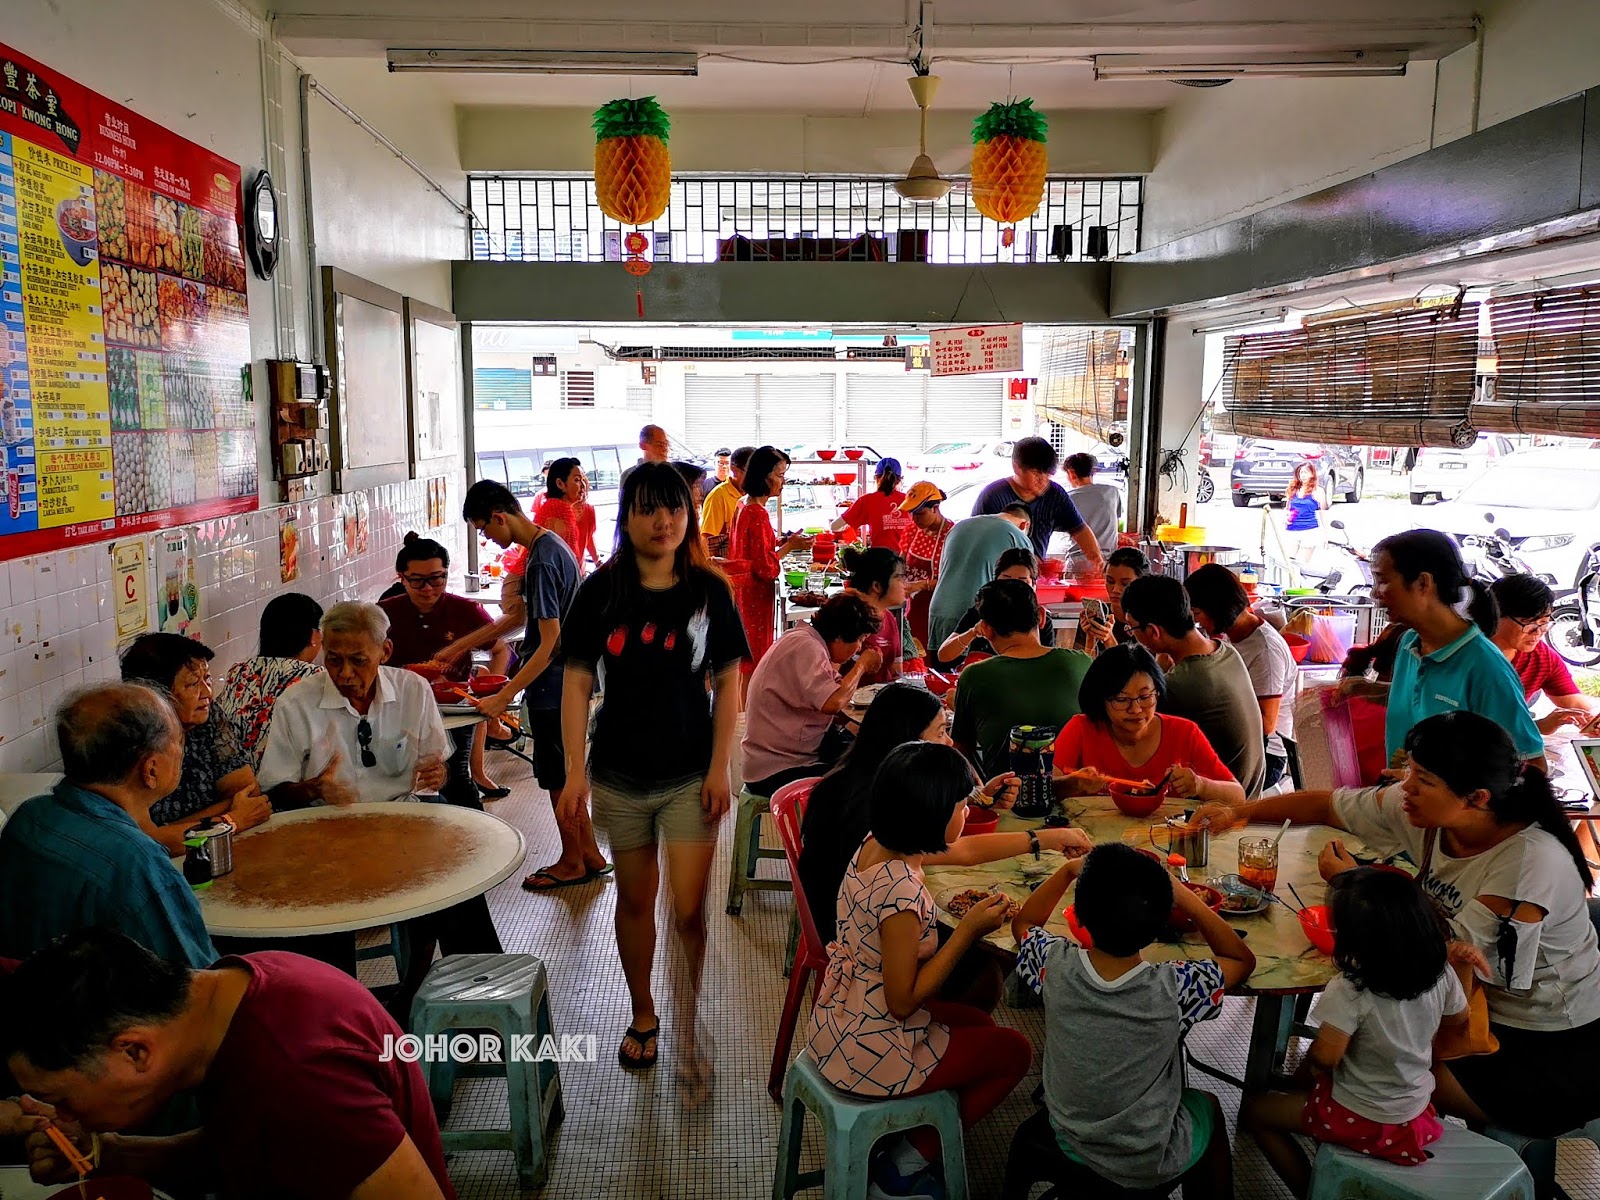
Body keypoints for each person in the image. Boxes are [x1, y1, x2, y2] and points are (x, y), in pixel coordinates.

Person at [1192, 710, 1600, 1140]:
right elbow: (1326, 804)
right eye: (1411, 771)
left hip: (1541, 1050)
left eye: (1423, 779)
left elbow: (1439, 964)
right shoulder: (1427, 811)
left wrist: (1355, 883)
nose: (1405, 786)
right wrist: (1238, 812)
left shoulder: (1528, 865)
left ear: (1477, 798)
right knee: (1343, 1059)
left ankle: (1324, 1137)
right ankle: (1314, 1120)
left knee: (1351, 1064)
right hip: (1461, 1015)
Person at [2, 928, 457, 1199]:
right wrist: (111, 1154)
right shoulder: (231, 991)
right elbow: (251, 1145)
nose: (57, 1118)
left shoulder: (300, 1079)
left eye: (58, 1099)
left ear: (134, 1051)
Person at [556, 463, 749, 1086]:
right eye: (648, 508)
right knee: (636, 901)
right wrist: (573, 773)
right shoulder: (600, 591)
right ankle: (644, 1016)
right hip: (618, 774)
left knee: (688, 909)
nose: (664, 520)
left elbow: (727, 681)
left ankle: (688, 1011)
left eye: (674, 508)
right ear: (627, 516)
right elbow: (578, 679)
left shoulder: (709, 591)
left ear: (688, 516)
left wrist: (722, 767)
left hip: (692, 775)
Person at [804, 742, 1035, 1195]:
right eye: (962, 804)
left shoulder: (879, 844)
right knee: (1015, 1052)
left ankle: (901, 1131)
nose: (968, 812)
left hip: (840, 1021)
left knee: (977, 1021)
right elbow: (904, 1000)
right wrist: (968, 929)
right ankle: (902, 1168)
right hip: (873, 1048)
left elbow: (966, 852)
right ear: (933, 812)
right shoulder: (901, 893)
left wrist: (1039, 840)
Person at [255, 602, 500, 1019]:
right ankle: (344, 1013)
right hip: (325, 830)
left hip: (404, 819)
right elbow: (275, 792)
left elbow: (435, 767)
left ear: (384, 652)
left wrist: (435, 774)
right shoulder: (297, 703)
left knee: (459, 884)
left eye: (357, 660)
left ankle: (476, 992)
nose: (344, 673)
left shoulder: (412, 691)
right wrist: (313, 788)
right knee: (322, 917)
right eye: (333, 660)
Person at [1011, 842, 1252, 1197]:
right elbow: (1241, 960)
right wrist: (1182, 895)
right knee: (1210, 1107)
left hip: (1068, 1134)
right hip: (1145, 1156)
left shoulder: (1055, 965)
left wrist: (1066, 871)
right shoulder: (1176, 986)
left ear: (1077, 914)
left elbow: (1025, 923)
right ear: (1157, 928)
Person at [797, 683, 1087, 945]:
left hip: (852, 922)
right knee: (982, 965)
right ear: (909, 743)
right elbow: (962, 850)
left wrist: (974, 797)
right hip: (855, 939)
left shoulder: (861, 779)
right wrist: (1047, 838)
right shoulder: (874, 809)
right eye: (940, 732)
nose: (949, 742)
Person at [1243, 868, 1469, 1194]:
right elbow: (1459, 1018)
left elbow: (1325, 1057)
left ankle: (1311, 1189)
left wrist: (1304, 1073)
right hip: (1413, 1109)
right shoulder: (1439, 972)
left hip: (1364, 1115)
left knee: (1257, 1112)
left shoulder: (1350, 988)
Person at [0, 684, 216, 967]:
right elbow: (196, 984)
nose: (180, 752)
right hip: (96, 1009)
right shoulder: (136, 864)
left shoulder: (29, 816)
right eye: (178, 742)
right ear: (150, 770)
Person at [462, 480, 604, 891]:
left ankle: (571, 862)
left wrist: (505, 694)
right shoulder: (552, 545)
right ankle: (590, 853)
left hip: (553, 688)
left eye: (486, 530)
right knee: (566, 773)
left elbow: (549, 643)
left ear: (499, 516)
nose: (490, 539)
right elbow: (524, 622)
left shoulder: (540, 561)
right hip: (570, 683)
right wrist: (460, 648)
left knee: (558, 778)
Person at [1370, 530, 1543, 766]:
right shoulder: (1410, 643)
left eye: (1382, 581)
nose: (1373, 593)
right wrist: (1366, 690)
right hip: (1401, 800)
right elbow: (1420, 700)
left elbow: (1532, 765)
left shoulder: (1485, 667)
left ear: (1423, 583)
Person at [379, 533, 509, 799]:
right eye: (417, 581)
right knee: (402, 780)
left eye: (437, 578)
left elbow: (500, 649)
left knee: (457, 775)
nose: (428, 588)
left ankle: (476, 838)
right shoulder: (383, 614)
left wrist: (491, 693)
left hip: (454, 709)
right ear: (401, 577)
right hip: (399, 711)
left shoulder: (464, 611)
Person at [120, 633, 272, 855]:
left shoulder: (207, 719)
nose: (208, 694)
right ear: (156, 696)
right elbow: (147, 841)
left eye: (207, 680)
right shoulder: (128, 741)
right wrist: (229, 821)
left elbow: (249, 795)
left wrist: (176, 830)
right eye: (193, 684)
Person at [1120, 575, 1266, 796]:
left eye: (1132, 629)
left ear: (1153, 632)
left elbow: (1127, 729)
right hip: (1252, 792)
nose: (1132, 635)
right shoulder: (1224, 650)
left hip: (1225, 808)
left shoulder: (1185, 683)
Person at [1052, 645, 1247, 806]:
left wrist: (1201, 786)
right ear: (1101, 700)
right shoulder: (1082, 728)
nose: (1136, 709)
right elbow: (1046, 791)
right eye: (1121, 699)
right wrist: (1074, 784)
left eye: (1145, 697)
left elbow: (1238, 796)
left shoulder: (1184, 732)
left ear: (1158, 693)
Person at [740, 594, 882, 797]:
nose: (859, 647)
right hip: (776, 768)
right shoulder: (806, 647)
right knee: (867, 777)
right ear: (841, 636)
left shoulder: (806, 640)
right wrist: (862, 665)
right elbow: (833, 702)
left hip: (783, 752)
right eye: (859, 640)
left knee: (867, 750)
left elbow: (835, 691)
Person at [952, 579, 1092, 777]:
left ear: (987, 629)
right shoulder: (1081, 663)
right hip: (1078, 795)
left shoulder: (975, 676)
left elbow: (960, 748)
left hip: (1006, 800)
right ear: (1042, 617)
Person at [1185, 564, 1299, 789]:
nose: (1199, 623)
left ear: (1217, 609)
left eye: (1198, 614)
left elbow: (1266, 724)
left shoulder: (1265, 651)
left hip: (1266, 755)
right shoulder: (1230, 635)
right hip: (1236, 741)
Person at [213, 592, 324, 770]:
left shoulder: (239, 672)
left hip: (234, 779)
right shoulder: (316, 677)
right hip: (285, 787)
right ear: (313, 636)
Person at [729, 445, 812, 676]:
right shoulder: (757, 513)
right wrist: (790, 546)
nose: (783, 482)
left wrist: (783, 542)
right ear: (764, 476)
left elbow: (751, 549)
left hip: (742, 595)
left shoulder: (743, 504)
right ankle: (748, 711)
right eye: (780, 475)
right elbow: (765, 568)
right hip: (754, 598)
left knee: (745, 660)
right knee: (753, 664)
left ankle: (743, 710)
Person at [1489, 574, 1600, 734]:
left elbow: (1575, 702)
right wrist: (1537, 727)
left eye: (1544, 623)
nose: (1538, 632)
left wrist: (1593, 721)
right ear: (1496, 615)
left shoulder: (1541, 657)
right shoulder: (1470, 657)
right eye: (1529, 624)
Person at [974, 436, 1103, 568]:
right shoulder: (993, 495)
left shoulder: (1055, 494)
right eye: (1037, 474)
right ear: (1016, 467)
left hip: (1033, 578)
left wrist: (1096, 559)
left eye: (1047, 475)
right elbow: (978, 544)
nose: (1043, 481)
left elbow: (1079, 529)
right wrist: (1035, 564)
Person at [926, 506, 1033, 652]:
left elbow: (942, 571)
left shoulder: (959, 526)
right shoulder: (1017, 535)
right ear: (1024, 525)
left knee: (942, 670)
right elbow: (1024, 589)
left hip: (939, 610)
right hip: (980, 617)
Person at [936, 547, 1056, 667]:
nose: (1012, 588)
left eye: (1022, 582)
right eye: (1006, 580)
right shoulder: (981, 612)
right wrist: (972, 632)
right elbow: (943, 655)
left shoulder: (1037, 618)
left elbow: (1044, 664)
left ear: (1034, 586)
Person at [838, 546, 907, 685]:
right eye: (899, 578)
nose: (905, 584)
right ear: (877, 586)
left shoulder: (889, 618)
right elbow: (829, 680)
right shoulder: (848, 616)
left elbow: (896, 673)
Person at [1078, 545, 1149, 653]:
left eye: (1125, 584)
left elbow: (1141, 669)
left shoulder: (1151, 624)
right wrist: (1090, 639)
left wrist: (1109, 641)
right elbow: (1082, 667)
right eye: (1110, 581)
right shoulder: (1094, 616)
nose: (1115, 589)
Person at [832, 457, 911, 552]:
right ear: (900, 479)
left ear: (875, 478)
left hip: (879, 560)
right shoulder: (910, 500)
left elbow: (835, 526)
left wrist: (849, 526)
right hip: (908, 560)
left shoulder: (867, 500)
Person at [1063, 451, 1121, 560]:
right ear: (1093, 472)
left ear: (1071, 473)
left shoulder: (1067, 498)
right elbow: (1116, 526)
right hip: (1108, 562)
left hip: (1078, 561)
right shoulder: (1112, 492)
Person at [533, 456, 589, 568]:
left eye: (583, 479)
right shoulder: (559, 510)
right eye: (577, 480)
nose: (583, 485)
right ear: (560, 484)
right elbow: (561, 562)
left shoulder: (551, 506)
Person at [700, 444, 754, 558]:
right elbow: (707, 542)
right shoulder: (718, 497)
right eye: (751, 473)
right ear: (734, 470)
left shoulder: (752, 495)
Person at [1284, 462, 1324, 568]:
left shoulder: (1318, 491)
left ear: (1312, 474)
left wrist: (1325, 534)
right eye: (1301, 472)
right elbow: (1287, 508)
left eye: (1306, 472)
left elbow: (1323, 512)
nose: (1303, 475)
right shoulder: (1293, 489)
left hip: (1310, 530)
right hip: (1292, 529)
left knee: (1303, 564)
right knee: (1289, 561)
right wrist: (1285, 517)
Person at [618, 422, 670, 494]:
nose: (665, 449)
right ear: (642, 445)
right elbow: (624, 504)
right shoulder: (628, 476)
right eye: (660, 445)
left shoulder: (674, 474)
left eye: (667, 445)